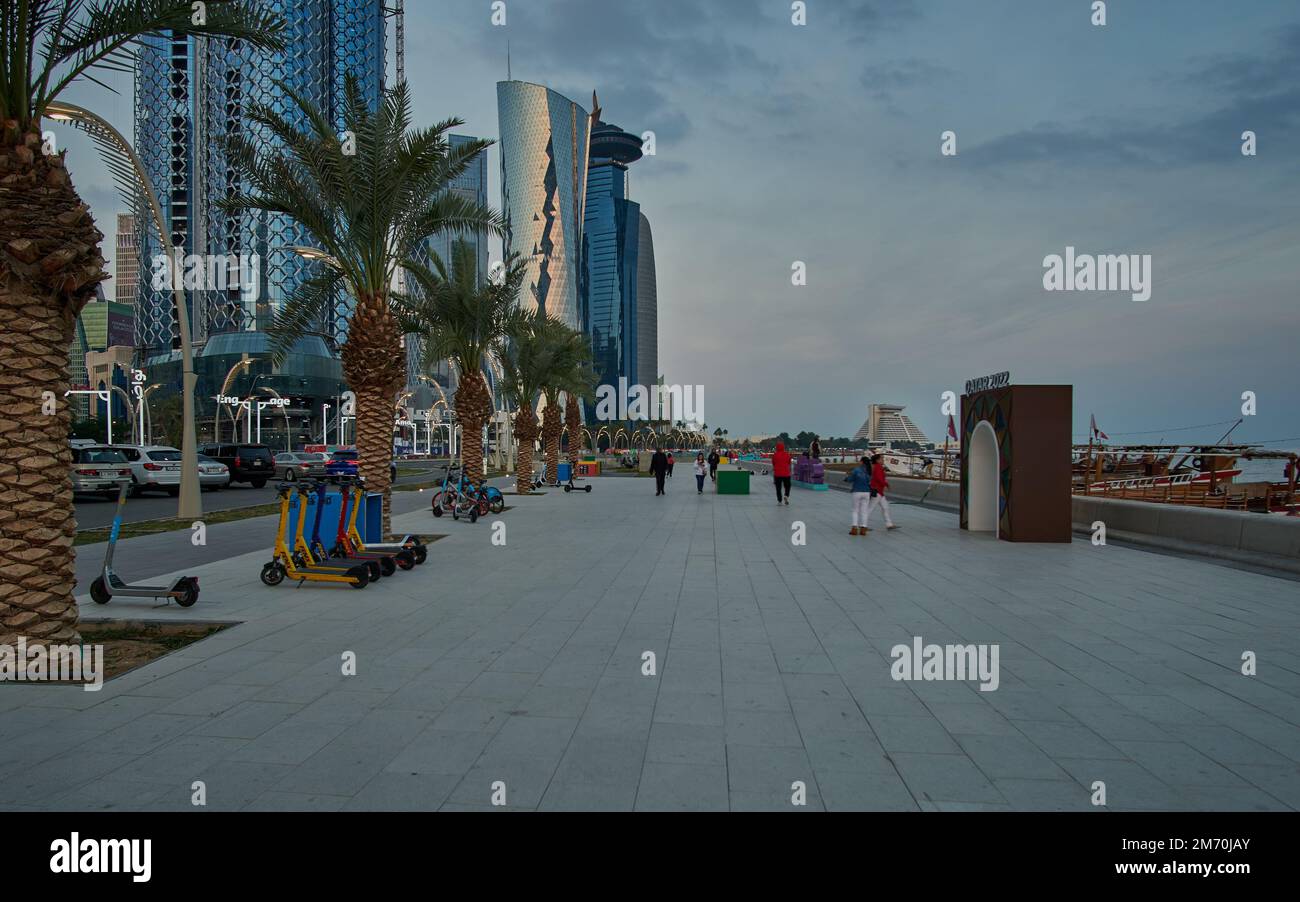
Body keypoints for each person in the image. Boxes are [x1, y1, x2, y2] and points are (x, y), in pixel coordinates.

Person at [864, 453, 899, 530]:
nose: (883, 460)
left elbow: (877, 478)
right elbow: (879, 479)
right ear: (877, 460)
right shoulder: (878, 467)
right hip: (877, 491)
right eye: (882, 458)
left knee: (885, 507)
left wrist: (885, 484)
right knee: (871, 508)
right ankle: (863, 525)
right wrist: (886, 484)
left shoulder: (876, 467)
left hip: (878, 491)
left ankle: (889, 524)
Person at [844, 455, 873, 535]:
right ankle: (863, 528)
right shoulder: (869, 471)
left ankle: (854, 528)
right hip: (867, 492)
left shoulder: (856, 470)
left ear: (862, 462)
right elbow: (870, 481)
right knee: (864, 511)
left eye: (860, 461)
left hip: (857, 491)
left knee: (855, 510)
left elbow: (849, 479)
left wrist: (847, 476)